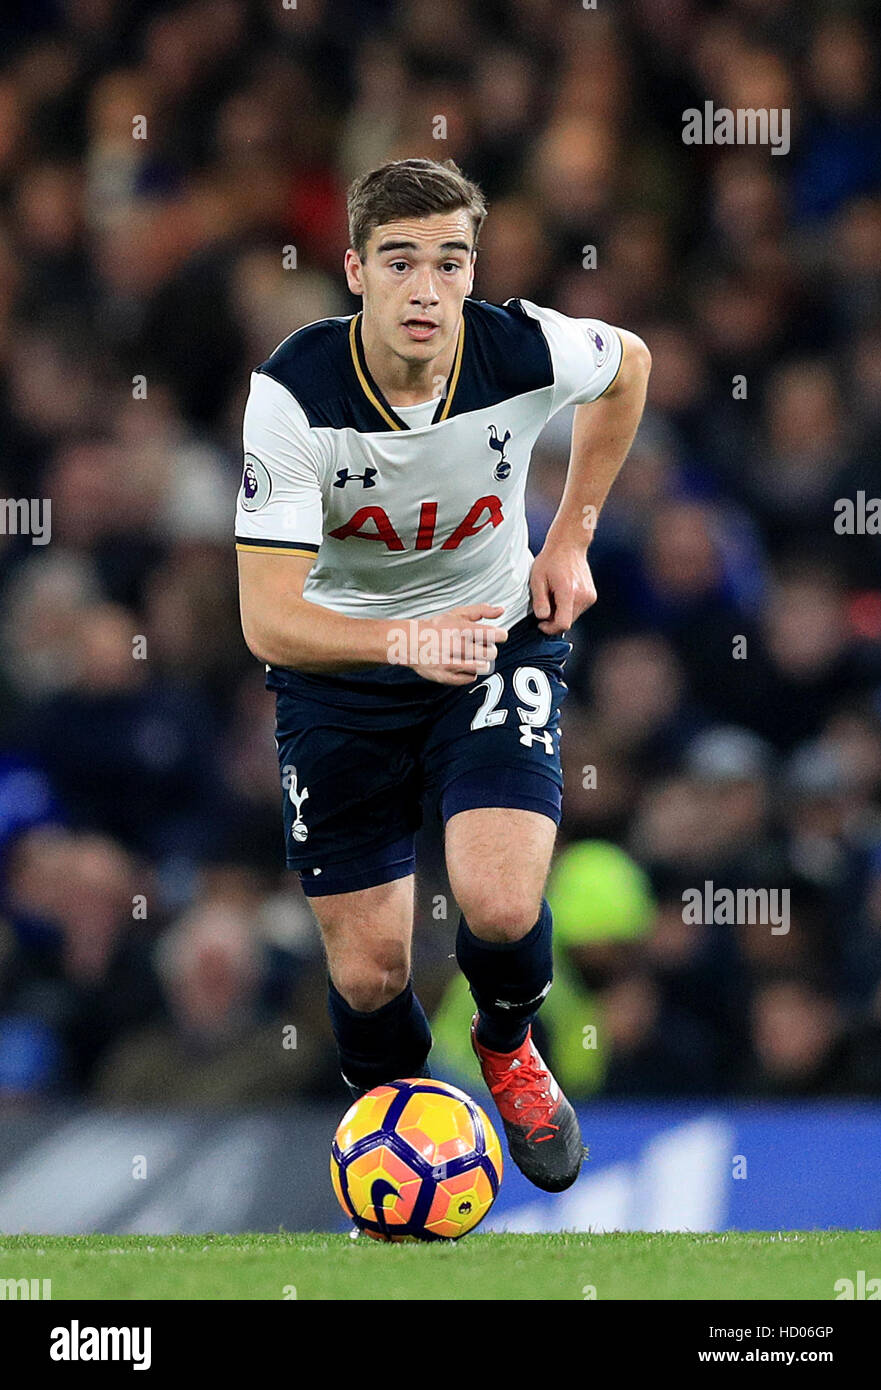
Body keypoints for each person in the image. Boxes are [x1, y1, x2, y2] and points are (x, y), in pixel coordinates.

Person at [235, 157, 651, 1193]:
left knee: (501, 904)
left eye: (450, 261)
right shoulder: (294, 395)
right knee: (371, 971)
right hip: (340, 674)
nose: (426, 288)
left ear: (474, 270)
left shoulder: (519, 347)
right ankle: (397, 1144)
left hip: (495, 641)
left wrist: (568, 541)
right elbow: (267, 619)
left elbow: (631, 365)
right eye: (400, 261)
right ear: (353, 271)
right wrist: (401, 642)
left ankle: (508, 1045)